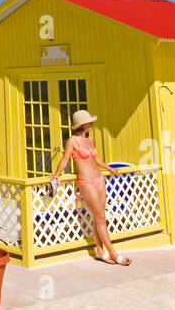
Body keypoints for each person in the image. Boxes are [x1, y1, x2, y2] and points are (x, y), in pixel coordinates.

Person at [51, 109, 132, 266]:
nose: (92, 124)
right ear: (82, 125)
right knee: (100, 217)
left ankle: (100, 251)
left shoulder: (89, 139)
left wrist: (108, 168)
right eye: (89, 122)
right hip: (86, 181)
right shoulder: (72, 141)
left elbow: (95, 158)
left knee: (99, 216)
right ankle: (113, 253)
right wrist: (56, 174)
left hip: (99, 179)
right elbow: (65, 159)